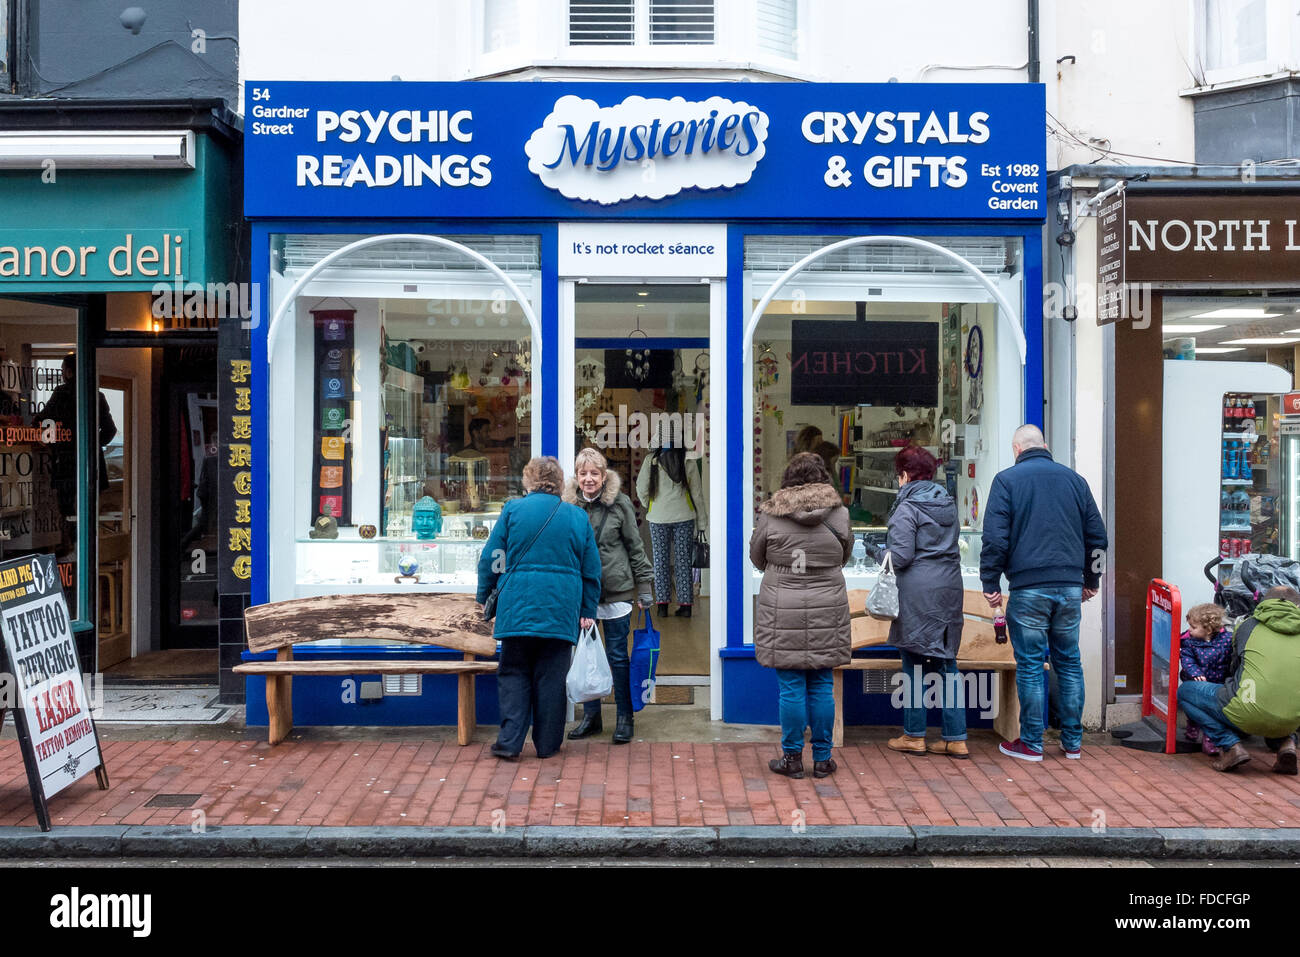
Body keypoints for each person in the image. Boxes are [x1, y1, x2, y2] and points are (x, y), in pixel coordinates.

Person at [979, 423, 1108, 762]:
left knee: (1032, 664)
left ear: (1016, 449)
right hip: (1068, 588)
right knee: (1069, 662)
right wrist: (1091, 580)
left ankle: (1032, 742)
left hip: (1028, 588)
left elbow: (995, 540)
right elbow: (1098, 537)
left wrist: (990, 584)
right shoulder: (1075, 481)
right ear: (1045, 446)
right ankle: (1073, 743)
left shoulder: (1006, 481)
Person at [476, 456, 601, 761]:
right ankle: (547, 744)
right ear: (560, 483)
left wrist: (485, 594)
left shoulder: (513, 510)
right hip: (559, 611)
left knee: (514, 675)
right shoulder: (576, 517)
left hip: (517, 608)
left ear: (528, 481)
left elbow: (493, 556)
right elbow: (592, 570)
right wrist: (587, 609)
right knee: (551, 678)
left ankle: (509, 742)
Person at [750, 452, 852, 779]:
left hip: (783, 607)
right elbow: (845, 555)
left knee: (791, 686)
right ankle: (822, 759)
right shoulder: (839, 515)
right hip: (827, 605)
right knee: (822, 682)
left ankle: (792, 759)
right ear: (823, 477)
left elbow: (757, 557)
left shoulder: (771, 515)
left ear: (787, 479)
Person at [563, 448, 655, 744]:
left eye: (594, 473)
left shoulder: (620, 504)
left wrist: (644, 586)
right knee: (588, 655)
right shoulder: (568, 507)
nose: (588, 479)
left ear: (603, 476)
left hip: (617, 592)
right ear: (576, 477)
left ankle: (625, 717)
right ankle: (592, 717)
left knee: (617, 656)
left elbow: (635, 546)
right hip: (583, 596)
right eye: (583, 473)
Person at [882, 447, 968, 758]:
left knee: (914, 664)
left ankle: (914, 735)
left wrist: (879, 553)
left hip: (918, 592)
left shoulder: (908, 507)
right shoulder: (947, 503)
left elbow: (901, 557)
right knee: (947, 664)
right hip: (949, 587)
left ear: (904, 475)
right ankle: (956, 737)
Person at [1177, 586, 1300, 774]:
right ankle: (1286, 743)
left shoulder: (1248, 626)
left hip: (1245, 710)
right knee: (1279, 701)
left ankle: (1230, 745)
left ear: (1264, 604)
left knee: (1185, 692)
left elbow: (1234, 668)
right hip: (1292, 719)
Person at [635, 437, 706, 618]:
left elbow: (641, 488)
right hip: (685, 516)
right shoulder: (687, 460)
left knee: (660, 561)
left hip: (658, 517)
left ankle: (662, 606)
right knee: (683, 561)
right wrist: (702, 522)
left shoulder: (651, 460)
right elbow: (697, 493)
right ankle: (685, 606)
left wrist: (650, 505)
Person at [1177, 603, 1232, 756]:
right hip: (1196, 682)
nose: (1189, 630)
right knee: (1194, 709)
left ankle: (1210, 740)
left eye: (1193, 627)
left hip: (1217, 682)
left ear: (1208, 629)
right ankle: (1192, 727)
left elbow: (1231, 658)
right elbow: (1187, 659)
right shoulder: (1189, 642)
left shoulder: (1227, 640)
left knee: (1213, 712)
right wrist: (1194, 673)